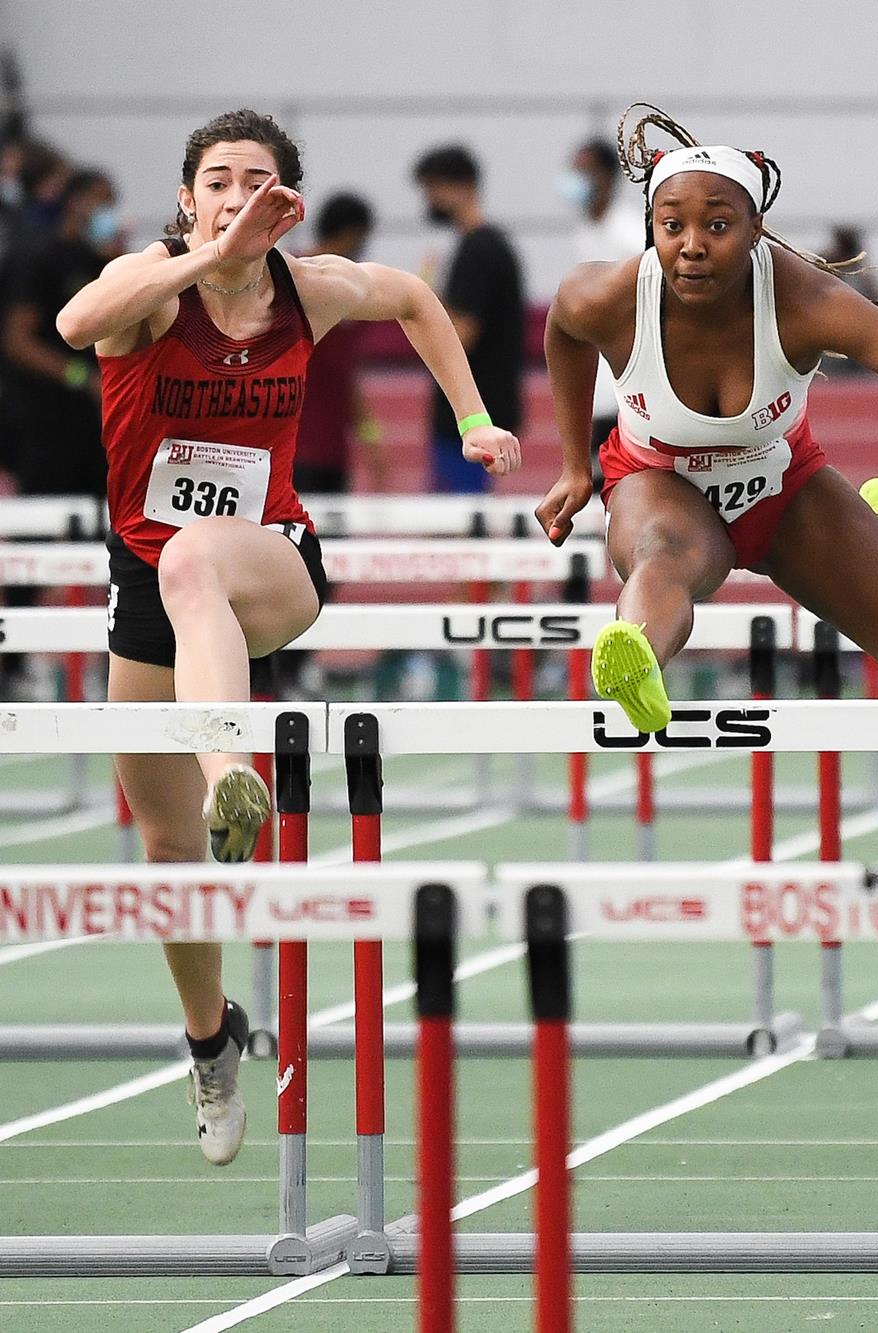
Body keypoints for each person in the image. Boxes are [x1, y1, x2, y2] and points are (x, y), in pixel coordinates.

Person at [54, 108, 519, 1169]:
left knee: (195, 559)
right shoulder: (150, 286)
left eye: (255, 181)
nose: (233, 195)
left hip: (271, 562)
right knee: (166, 850)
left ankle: (229, 764)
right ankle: (212, 1036)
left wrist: (472, 415)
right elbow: (79, 324)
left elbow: (410, 297)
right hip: (152, 587)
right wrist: (201, 261)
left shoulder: (306, 289)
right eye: (215, 180)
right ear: (188, 200)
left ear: (286, 203)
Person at [534, 104, 878, 733]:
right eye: (672, 227)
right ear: (652, 228)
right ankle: (636, 656)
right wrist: (572, 467)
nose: (692, 247)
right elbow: (563, 329)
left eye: (718, 226)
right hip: (656, 481)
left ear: (756, 230)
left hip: (785, 492)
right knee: (663, 553)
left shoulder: (806, 300)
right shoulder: (611, 295)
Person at [1, 166, 120, 500]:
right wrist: (80, 376)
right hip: (42, 419)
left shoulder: (99, 261)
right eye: (101, 202)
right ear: (75, 202)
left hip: (90, 422)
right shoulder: (39, 256)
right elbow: (17, 341)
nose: (108, 213)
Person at [413, 144, 524, 494]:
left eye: (432, 188)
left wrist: (422, 303)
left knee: (458, 521)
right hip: (484, 407)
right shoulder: (488, 245)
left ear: (460, 186)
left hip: (470, 416)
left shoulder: (477, 250)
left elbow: (460, 335)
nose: (428, 200)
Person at [293, 191, 379, 494]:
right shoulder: (293, 278)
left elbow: (347, 372)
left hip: (331, 447)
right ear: (352, 234)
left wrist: (369, 434)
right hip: (292, 446)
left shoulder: (348, 290)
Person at [565, 137, 638, 453]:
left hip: (627, 377)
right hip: (599, 373)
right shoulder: (586, 229)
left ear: (607, 177)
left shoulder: (629, 232)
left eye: (585, 172)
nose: (576, 181)